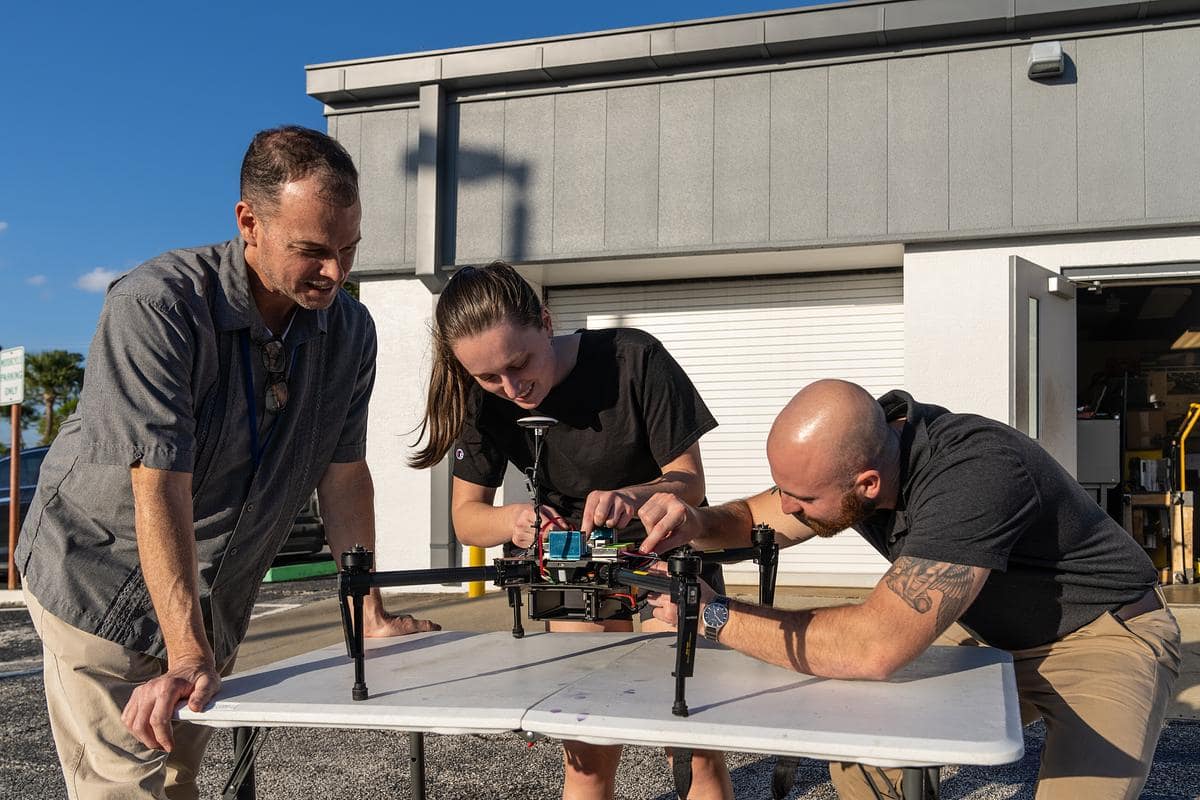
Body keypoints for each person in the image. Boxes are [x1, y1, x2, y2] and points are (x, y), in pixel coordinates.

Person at [16, 125, 437, 800]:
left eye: (349, 248)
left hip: (214, 595)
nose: (335, 273)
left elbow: (344, 474)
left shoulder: (349, 331)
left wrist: (368, 612)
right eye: (312, 251)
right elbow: (158, 483)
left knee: (179, 778)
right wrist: (186, 652)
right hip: (98, 578)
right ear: (249, 223)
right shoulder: (158, 306)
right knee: (124, 789)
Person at [639, 379, 1181, 800]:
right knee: (865, 755)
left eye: (800, 497)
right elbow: (756, 520)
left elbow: (874, 646)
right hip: (1000, 643)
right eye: (783, 488)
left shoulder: (974, 473)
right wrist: (696, 521)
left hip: (1105, 638)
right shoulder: (861, 453)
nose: (785, 507)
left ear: (867, 483)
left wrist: (712, 614)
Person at [409, 260, 733, 800]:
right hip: (577, 572)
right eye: (488, 378)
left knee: (694, 750)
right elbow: (467, 517)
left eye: (519, 364)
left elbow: (689, 481)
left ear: (546, 321)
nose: (512, 388)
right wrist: (516, 521)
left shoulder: (634, 359)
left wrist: (633, 497)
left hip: (664, 556)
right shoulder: (482, 399)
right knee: (587, 755)